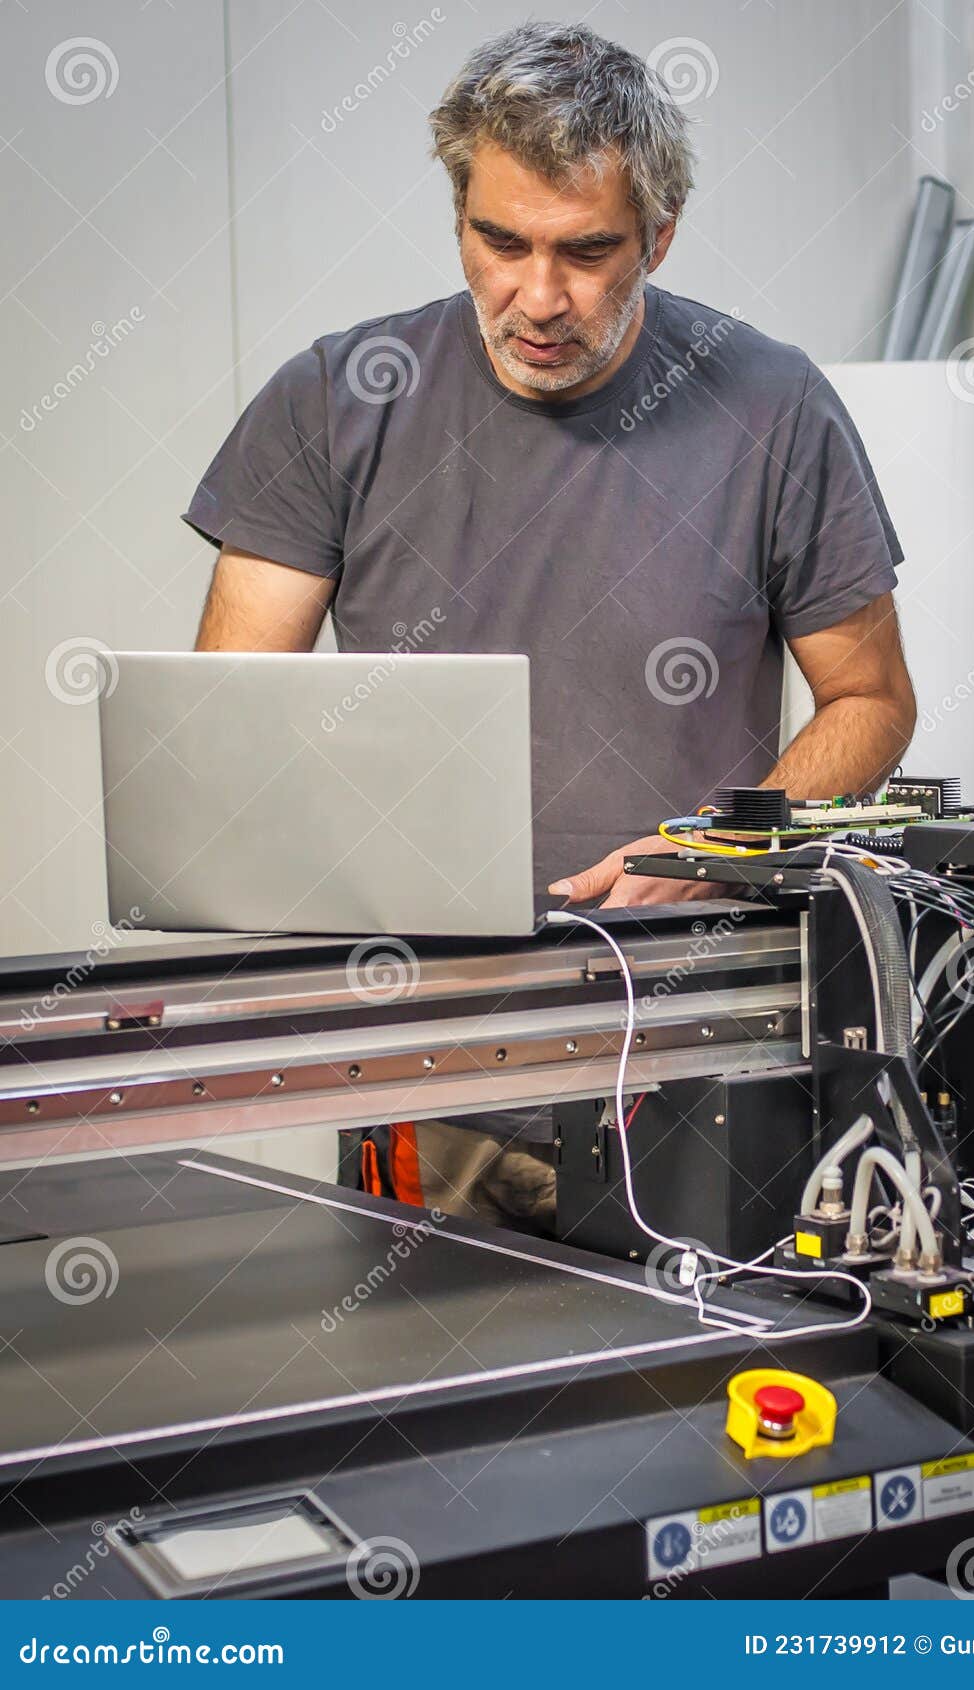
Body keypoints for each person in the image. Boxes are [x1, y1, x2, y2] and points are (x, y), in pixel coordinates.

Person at [183, 23, 916, 1228]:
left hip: (696, 1055)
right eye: (499, 241)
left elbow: (872, 700)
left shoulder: (774, 407)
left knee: (694, 1399)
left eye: (586, 252)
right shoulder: (336, 399)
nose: (538, 297)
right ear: (458, 214)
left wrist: (709, 852)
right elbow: (230, 725)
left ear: (659, 235)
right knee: (430, 1399)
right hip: (434, 1062)